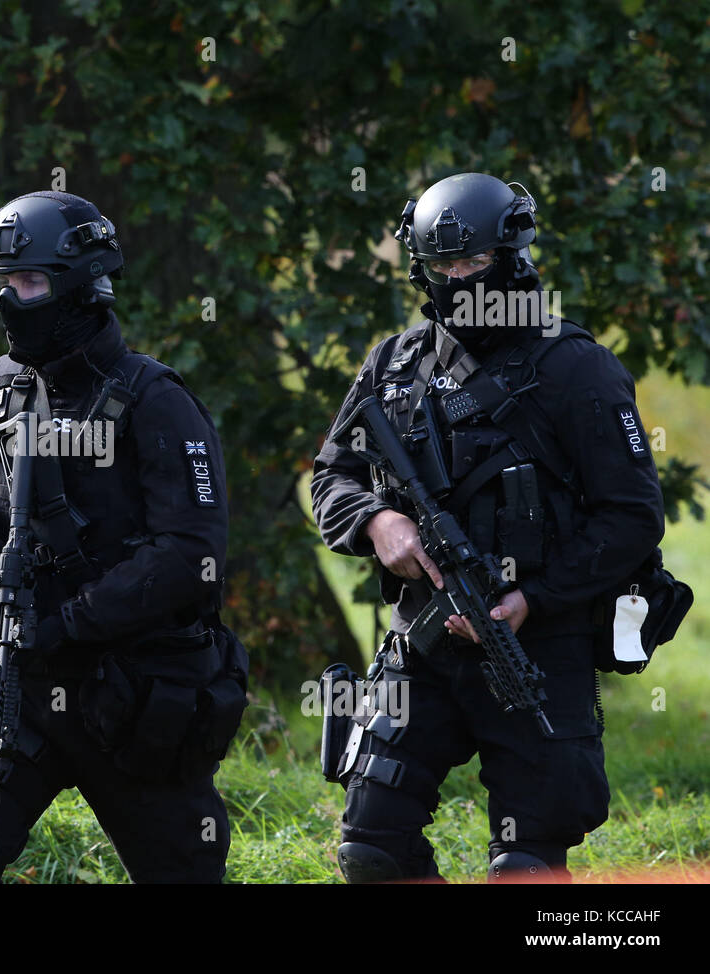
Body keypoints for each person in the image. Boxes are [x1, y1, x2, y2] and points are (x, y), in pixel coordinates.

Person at [310, 172, 666, 883]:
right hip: (422, 645)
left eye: (472, 264)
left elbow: (633, 518)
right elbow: (331, 476)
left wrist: (533, 598)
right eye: (441, 267)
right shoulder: (396, 363)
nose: (457, 279)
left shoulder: (576, 369)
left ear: (514, 257)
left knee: (525, 864)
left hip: (538, 646)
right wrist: (378, 520)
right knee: (371, 850)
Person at [0, 190, 247, 884]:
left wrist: (69, 622)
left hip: (133, 694)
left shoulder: (155, 399)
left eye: (27, 283)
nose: (9, 301)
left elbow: (191, 553)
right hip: (16, 688)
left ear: (81, 285)